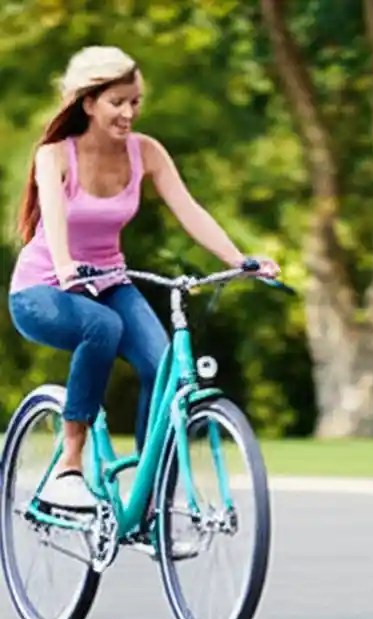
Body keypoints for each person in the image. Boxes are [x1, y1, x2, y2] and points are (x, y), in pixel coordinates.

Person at [9, 46, 280, 510]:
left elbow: (189, 209)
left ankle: (148, 500)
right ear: (88, 103)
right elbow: (52, 217)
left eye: (135, 101)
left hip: (111, 281)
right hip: (44, 289)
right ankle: (68, 468)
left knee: (165, 369)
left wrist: (239, 259)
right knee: (102, 326)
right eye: (118, 102)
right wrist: (66, 264)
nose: (129, 112)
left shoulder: (145, 153)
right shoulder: (55, 156)